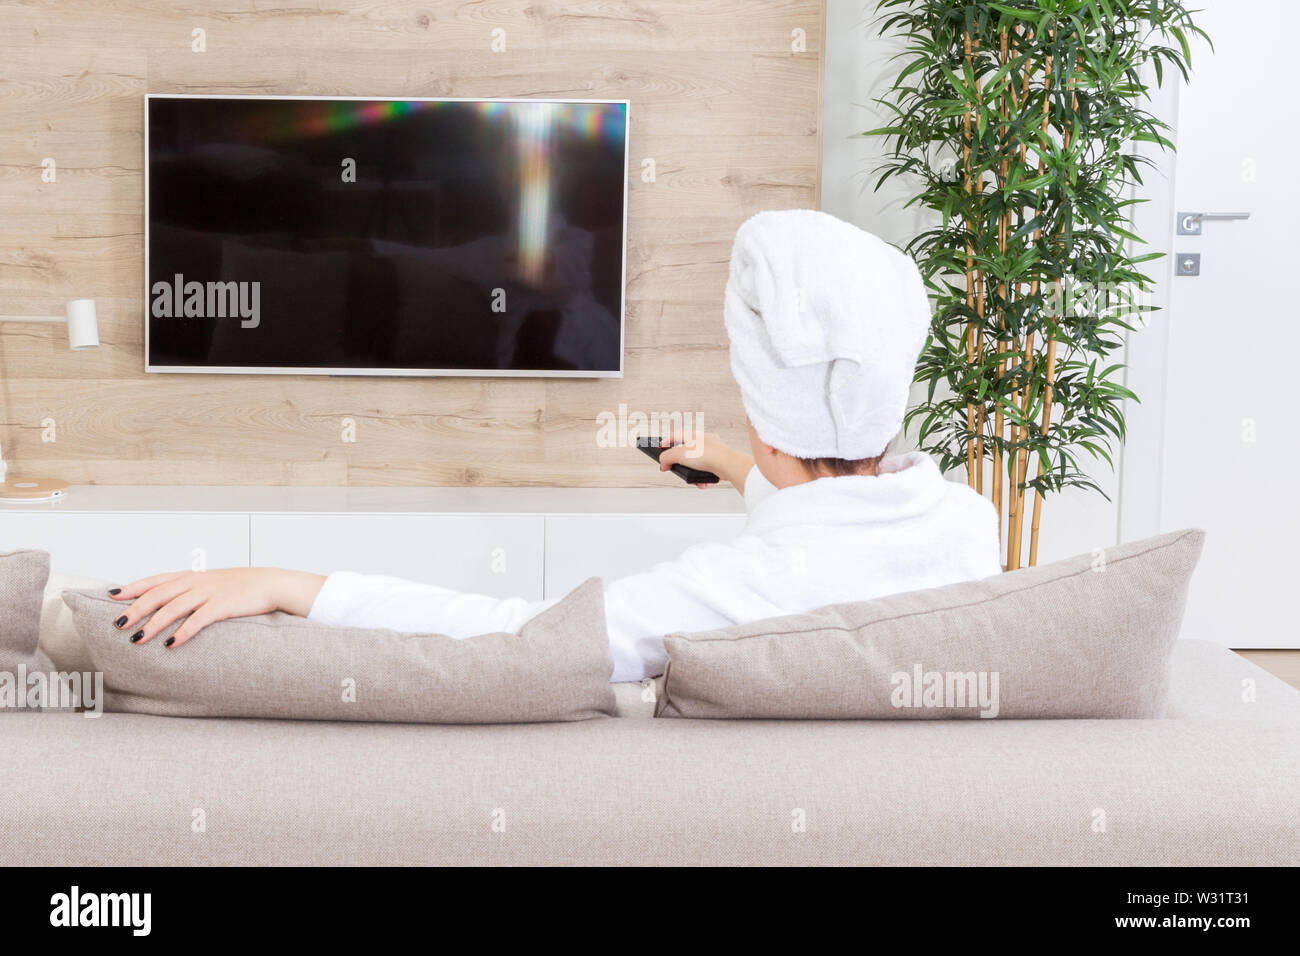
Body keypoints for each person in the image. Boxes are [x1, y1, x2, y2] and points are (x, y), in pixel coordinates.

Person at [111, 209, 1001, 683]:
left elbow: (514, 641)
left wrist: (284, 584)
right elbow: (837, 531)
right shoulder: (969, 528)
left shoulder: (716, 598)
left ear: (768, 417)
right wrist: (735, 463)